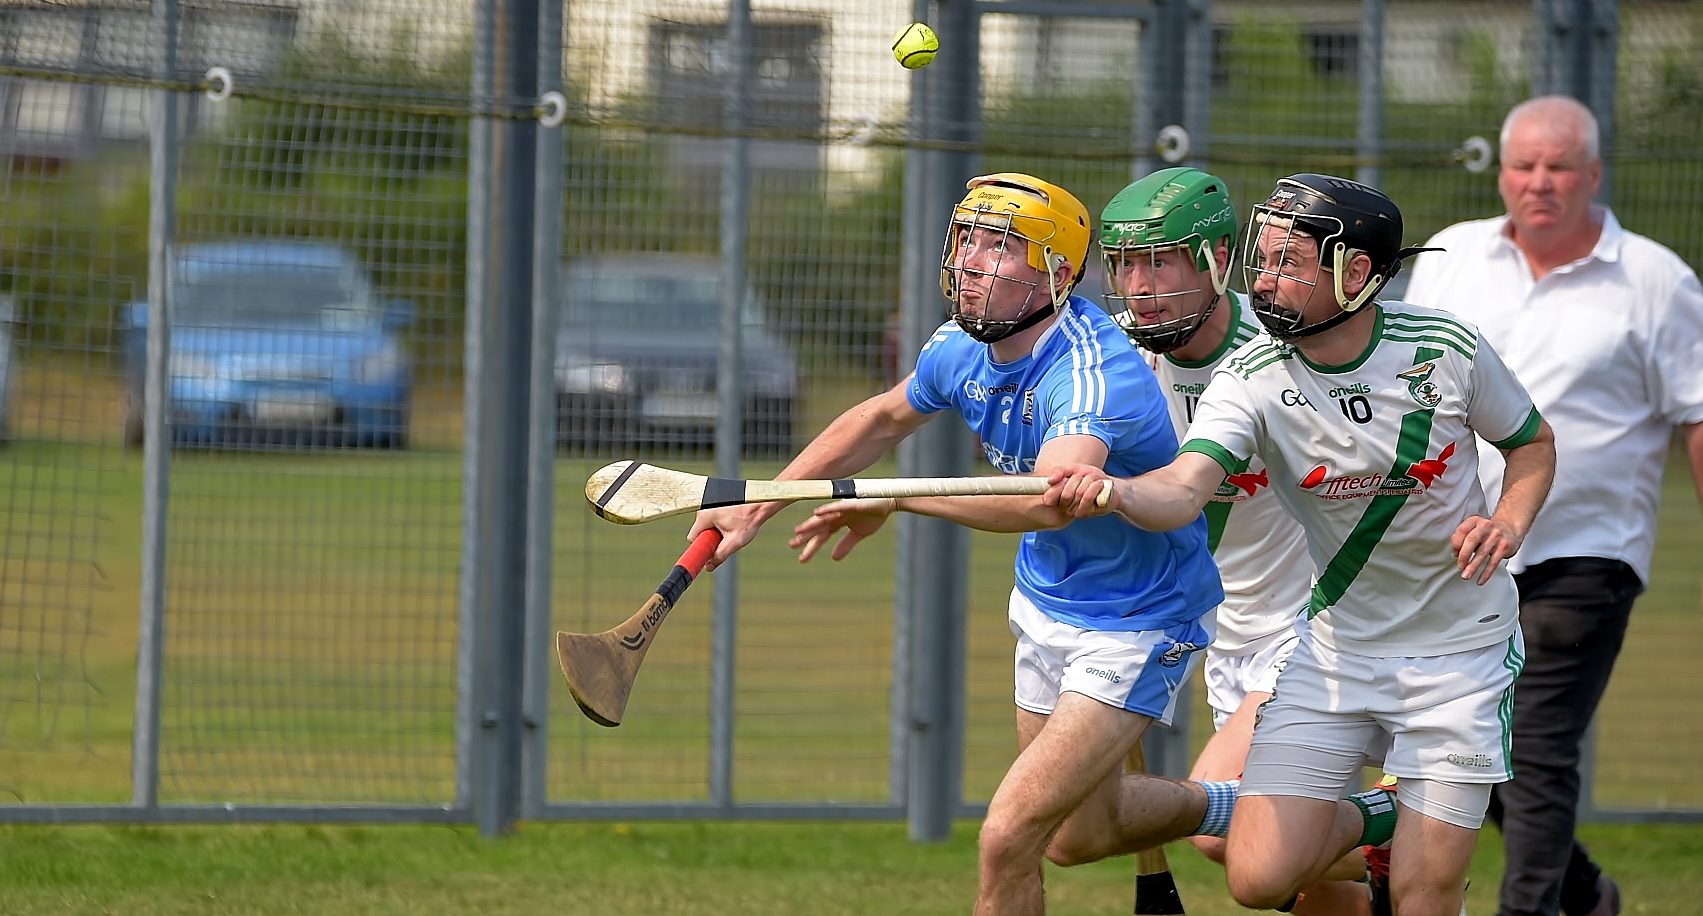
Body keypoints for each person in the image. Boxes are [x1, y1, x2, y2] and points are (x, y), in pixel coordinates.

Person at [691, 172, 1244, 916]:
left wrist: (894, 496)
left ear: (1056, 274)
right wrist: (760, 501)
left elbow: (1048, 502)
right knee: (1075, 835)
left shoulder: (1091, 370)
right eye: (968, 240)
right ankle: (1249, 804)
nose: (971, 261)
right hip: (1047, 602)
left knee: (1007, 835)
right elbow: (882, 419)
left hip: (1139, 618)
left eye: (1000, 247)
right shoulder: (961, 346)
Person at [1046, 173, 1558, 916]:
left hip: (1459, 651)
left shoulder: (1444, 346)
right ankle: (1388, 819)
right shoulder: (1251, 374)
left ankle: (1414, 836)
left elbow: (1532, 444)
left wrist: (1508, 521)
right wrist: (1117, 491)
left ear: (1356, 273)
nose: (1264, 280)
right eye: (1263, 259)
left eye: (1288, 263)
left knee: (1423, 893)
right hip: (1336, 653)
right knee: (1257, 878)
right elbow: (1184, 486)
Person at [1404, 95, 1703, 916]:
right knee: (1460, 737)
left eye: (1559, 166)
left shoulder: (1654, 279)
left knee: (1534, 744)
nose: (1540, 181)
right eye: (1524, 165)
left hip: (1586, 551)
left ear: (1593, 174)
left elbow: (1696, 412)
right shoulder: (1451, 257)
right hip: (1459, 549)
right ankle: (1582, 892)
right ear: (1500, 173)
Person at [1099, 166, 1375, 915]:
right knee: (1308, 887)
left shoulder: (1285, 352)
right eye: (1124, 265)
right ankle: (1398, 865)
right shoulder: (1120, 365)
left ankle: (1418, 822)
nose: (1139, 287)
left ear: (1218, 259)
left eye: (1160, 262)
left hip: (1315, 627)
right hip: (1227, 637)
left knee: (1223, 830)